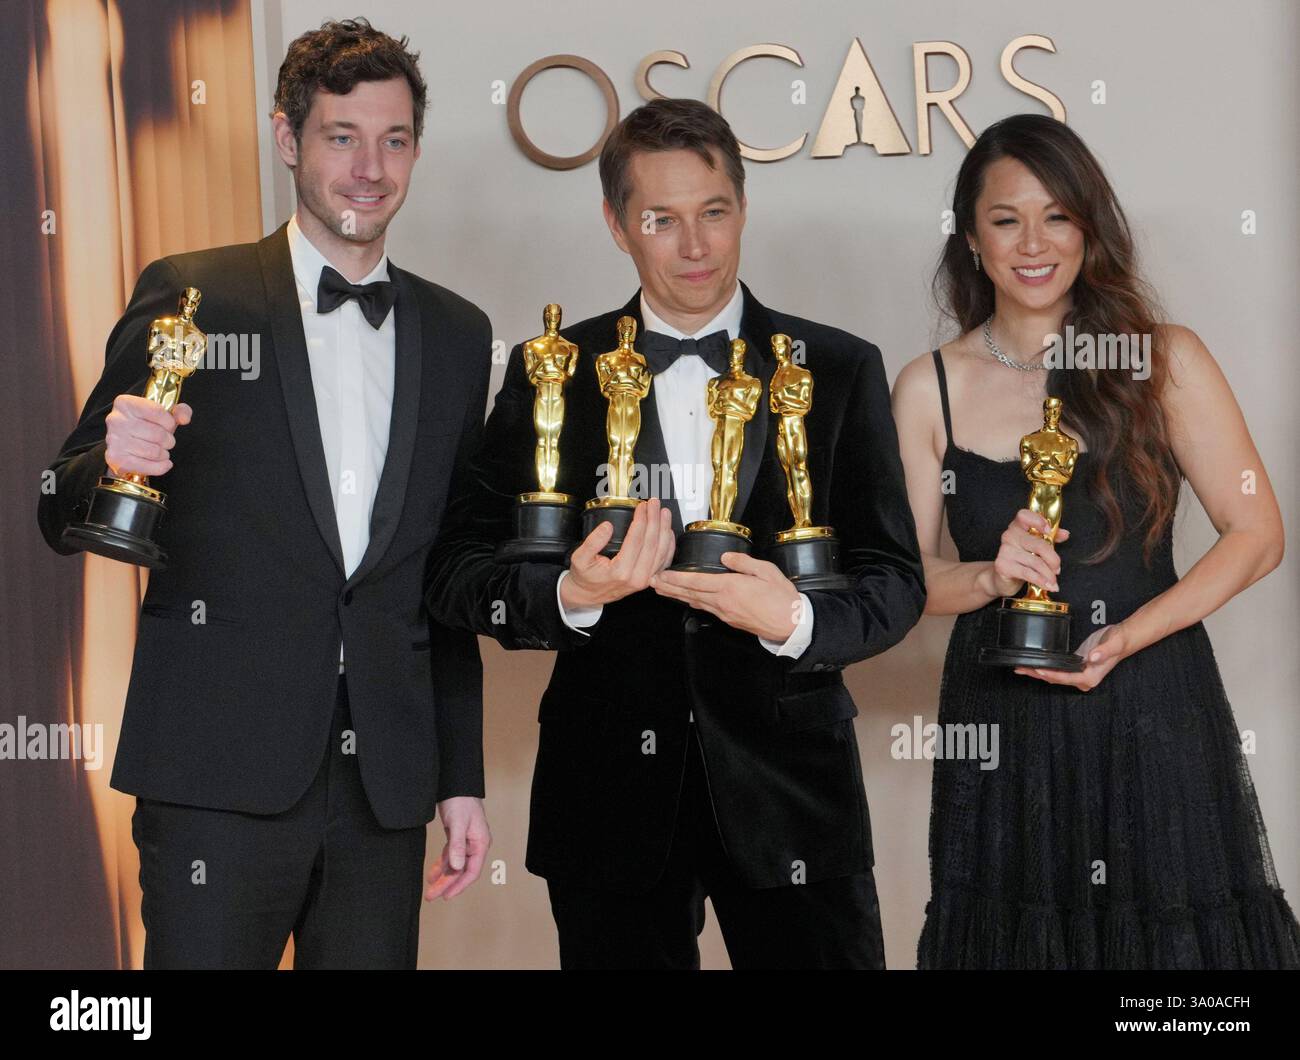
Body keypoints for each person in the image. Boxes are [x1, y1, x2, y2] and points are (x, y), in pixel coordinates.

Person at [426, 97, 926, 969]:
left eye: (714, 213)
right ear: (618, 226)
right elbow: (455, 571)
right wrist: (568, 598)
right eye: (662, 219)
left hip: (793, 801)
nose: (695, 247)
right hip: (608, 803)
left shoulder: (839, 367)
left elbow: (895, 579)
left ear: (743, 207)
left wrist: (798, 622)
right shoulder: (555, 370)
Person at [36, 18, 491, 969]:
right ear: (287, 139)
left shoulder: (457, 333)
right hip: (214, 772)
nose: (370, 167)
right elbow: (60, 502)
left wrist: (461, 779)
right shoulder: (196, 296)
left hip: (385, 789)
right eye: (341, 137)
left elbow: (440, 579)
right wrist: (110, 456)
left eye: (394, 139)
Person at [890, 112, 1300, 968]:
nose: (1033, 242)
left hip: (1152, 703)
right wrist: (989, 578)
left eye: (1058, 216)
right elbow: (909, 581)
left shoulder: (1163, 359)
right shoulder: (928, 386)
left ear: (1089, 225)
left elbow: (1256, 534)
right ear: (970, 237)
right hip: (1002, 725)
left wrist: (1127, 639)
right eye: (1006, 219)